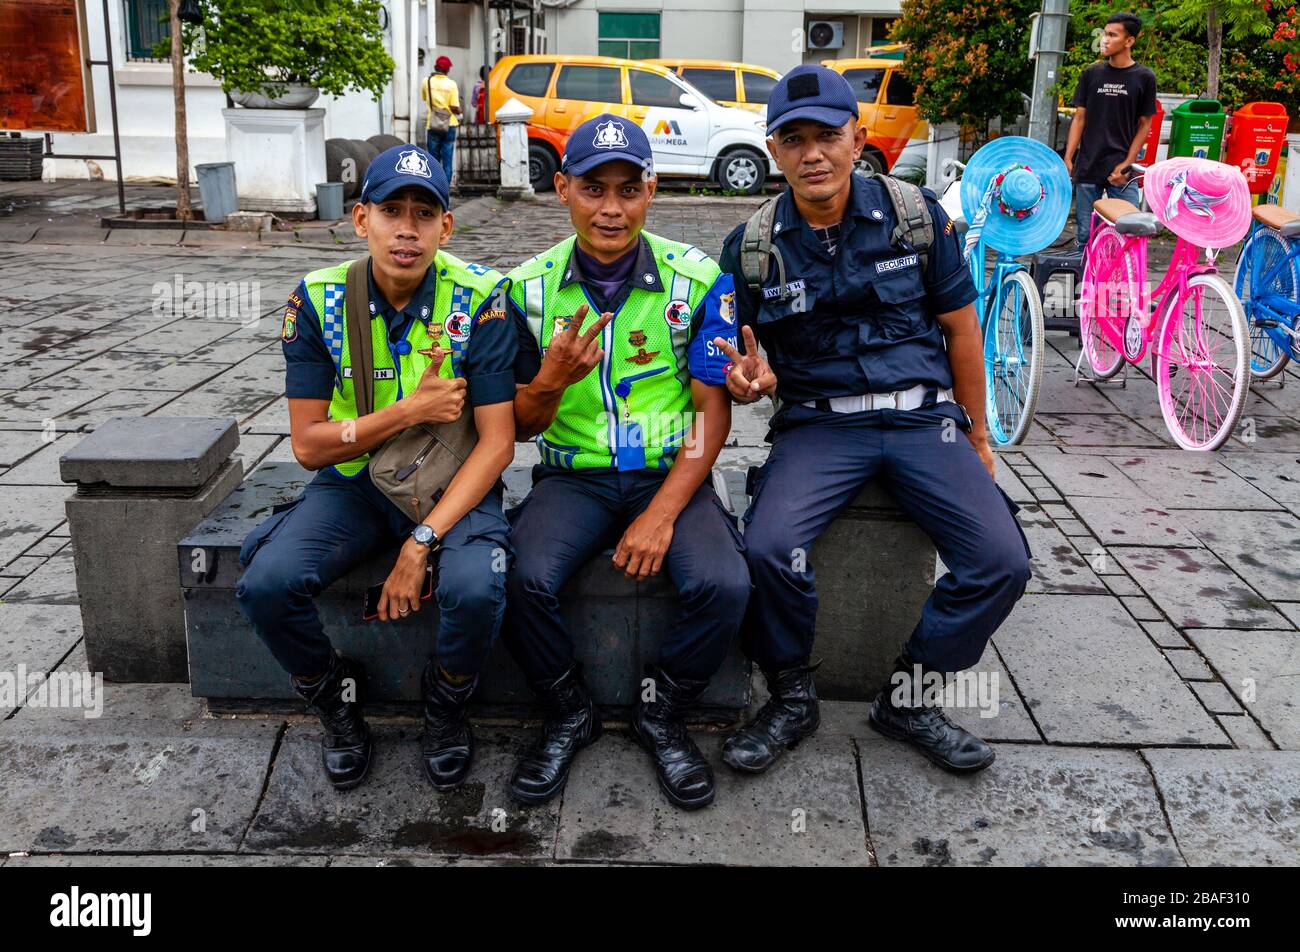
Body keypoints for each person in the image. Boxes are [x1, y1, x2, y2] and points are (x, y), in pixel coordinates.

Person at [714, 65, 1032, 777]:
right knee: (768, 549)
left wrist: (978, 434)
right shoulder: (752, 247)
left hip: (926, 424)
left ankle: (910, 699)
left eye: (828, 135)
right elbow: (736, 361)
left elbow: (961, 330)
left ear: (858, 138)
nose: (813, 154)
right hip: (819, 429)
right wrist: (746, 380)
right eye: (794, 140)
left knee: (1001, 562)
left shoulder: (916, 216)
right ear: (774, 151)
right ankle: (792, 696)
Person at [235, 145, 516, 792]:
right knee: (266, 583)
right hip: (354, 484)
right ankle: (334, 701)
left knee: (476, 588)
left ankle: (444, 703)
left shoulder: (481, 300)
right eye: (392, 210)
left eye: (425, 213)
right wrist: (408, 410)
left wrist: (421, 544)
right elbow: (308, 446)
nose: (407, 229)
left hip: (453, 483)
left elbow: (498, 444)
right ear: (361, 219)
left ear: (447, 228)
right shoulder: (317, 301)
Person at [502, 114, 751, 811]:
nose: (611, 209)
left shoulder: (699, 281)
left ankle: (661, 710)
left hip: (668, 472)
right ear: (562, 189)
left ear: (651, 190)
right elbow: (518, 429)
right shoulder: (525, 291)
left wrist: (664, 513)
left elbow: (713, 415)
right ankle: (568, 710)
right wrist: (550, 381)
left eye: (628, 190)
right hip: (573, 475)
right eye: (592, 189)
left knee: (726, 583)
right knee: (518, 577)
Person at [1064, 11, 1158, 251]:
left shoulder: (1144, 77)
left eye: (1112, 35)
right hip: (1088, 167)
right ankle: (1086, 287)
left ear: (1129, 41)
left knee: (1131, 233)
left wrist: (1127, 164)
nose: (1105, 40)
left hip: (1123, 173)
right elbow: (1080, 117)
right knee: (1086, 237)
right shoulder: (1091, 74)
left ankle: (1120, 287)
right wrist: (1068, 157)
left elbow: (1145, 124)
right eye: (1104, 34)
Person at [422, 55, 462, 181]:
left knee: (432, 159)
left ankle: (433, 187)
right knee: (447, 159)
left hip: (433, 124)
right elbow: (454, 107)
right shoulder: (451, 84)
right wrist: (460, 109)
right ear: (448, 70)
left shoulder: (426, 82)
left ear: (435, 67)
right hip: (449, 124)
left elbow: (424, 98)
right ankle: (445, 190)